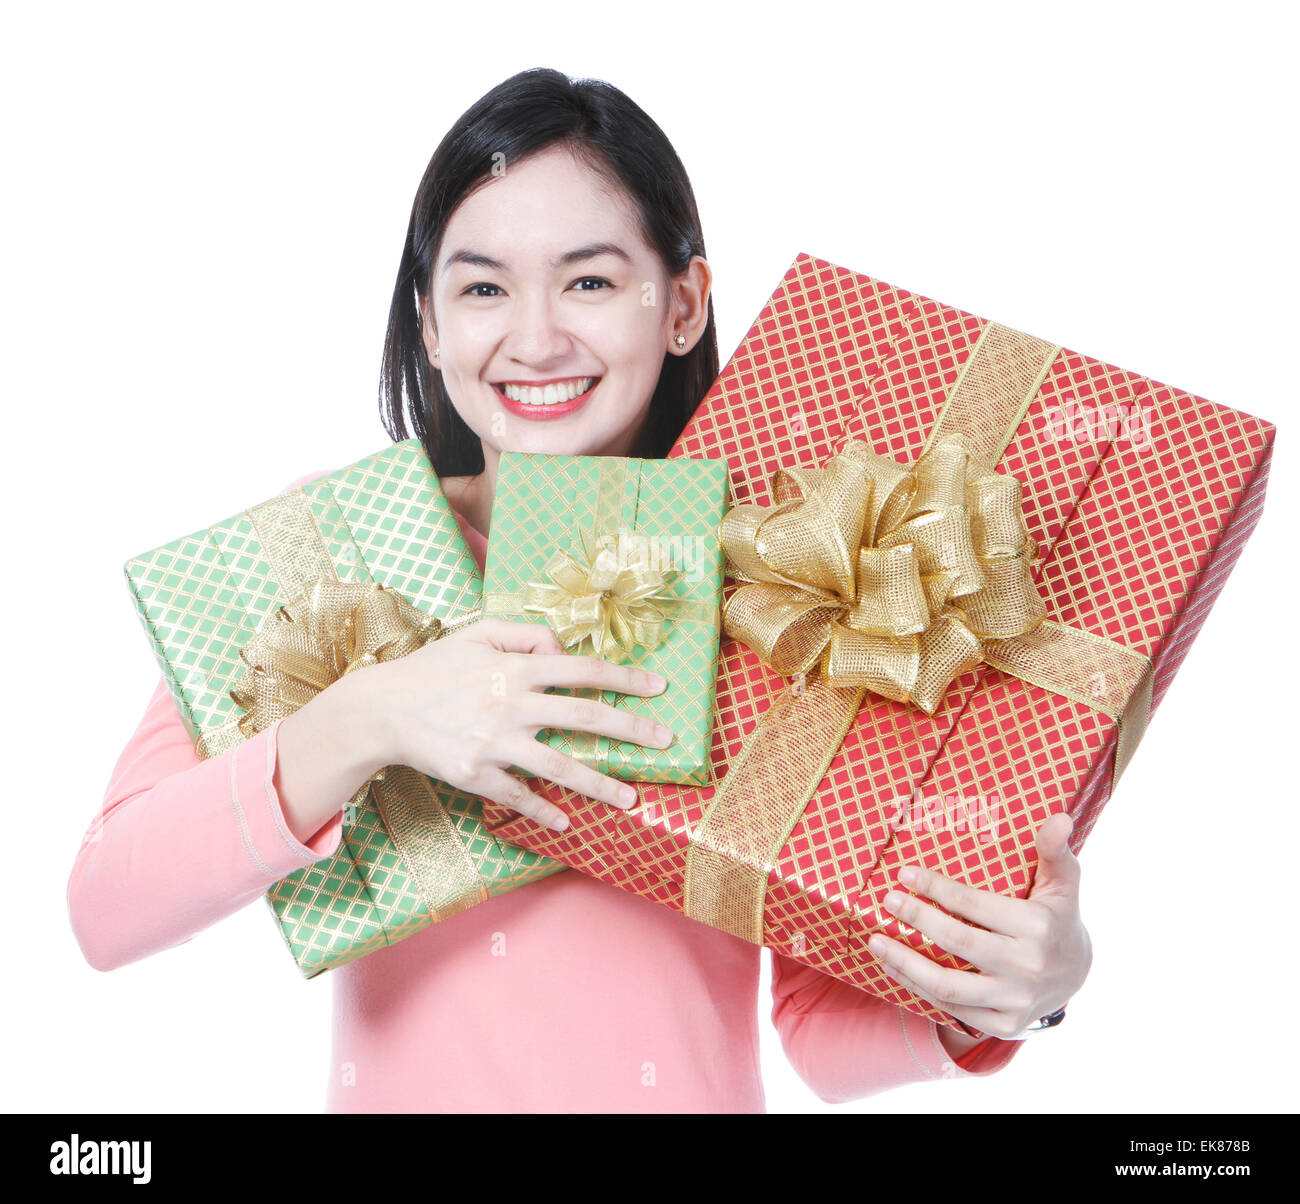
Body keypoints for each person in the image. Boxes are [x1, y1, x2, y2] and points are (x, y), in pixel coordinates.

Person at [67, 68, 1089, 1112]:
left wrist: (1001, 992)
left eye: (590, 282)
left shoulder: (784, 582)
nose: (537, 338)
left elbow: (816, 1032)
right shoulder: (328, 545)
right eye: (481, 288)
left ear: (682, 303)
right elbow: (108, 906)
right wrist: (370, 713)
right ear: (427, 322)